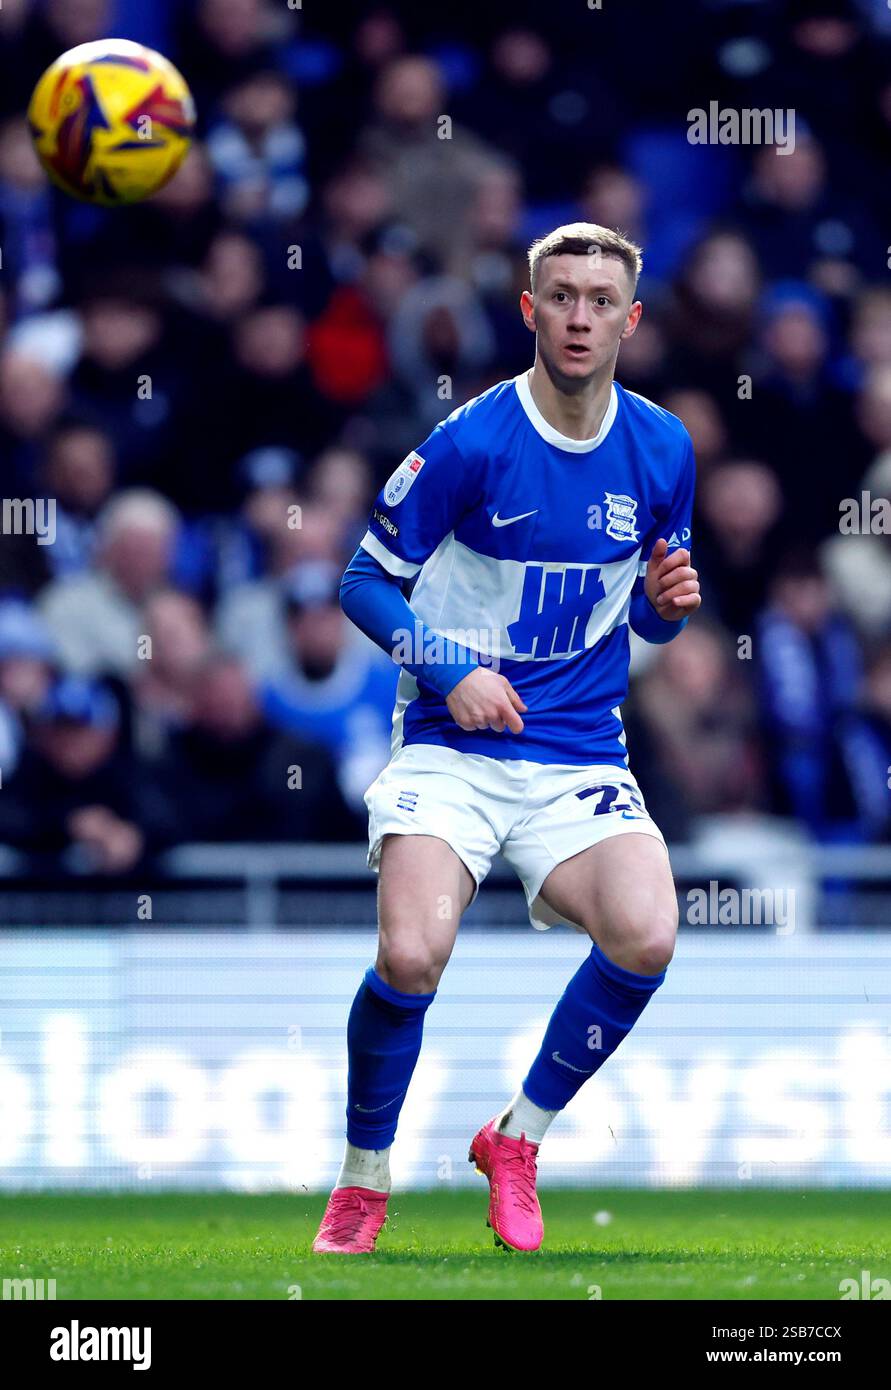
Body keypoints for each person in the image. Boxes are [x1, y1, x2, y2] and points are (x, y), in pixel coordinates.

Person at [313, 222, 701, 1255]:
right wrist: (450, 668)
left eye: (600, 300)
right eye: (561, 297)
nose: (581, 316)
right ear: (530, 312)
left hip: (576, 750)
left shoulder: (664, 447)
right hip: (451, 743)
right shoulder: (472, 442)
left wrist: (667, 607)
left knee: (649, 933)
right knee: (411, 951)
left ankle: (516, 1138)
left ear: (631, 318)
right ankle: (363, 1179)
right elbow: (360, 582)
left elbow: (649, 616)